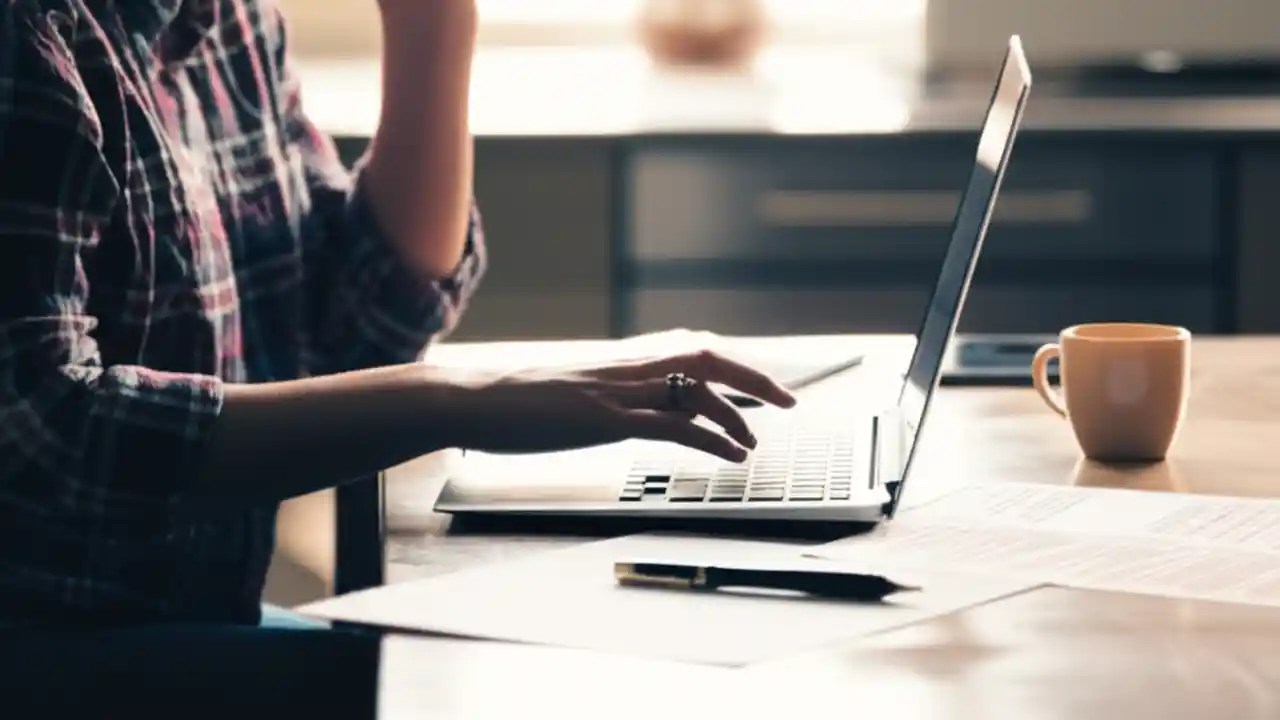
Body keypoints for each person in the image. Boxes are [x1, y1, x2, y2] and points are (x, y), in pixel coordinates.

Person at [0, 0, 795, 634]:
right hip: (64, 659)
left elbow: (357, 322)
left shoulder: (226, 20)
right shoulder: (30, 37)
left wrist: (436, 21)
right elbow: (46, 440)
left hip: (193, 622)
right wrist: (458, 400)